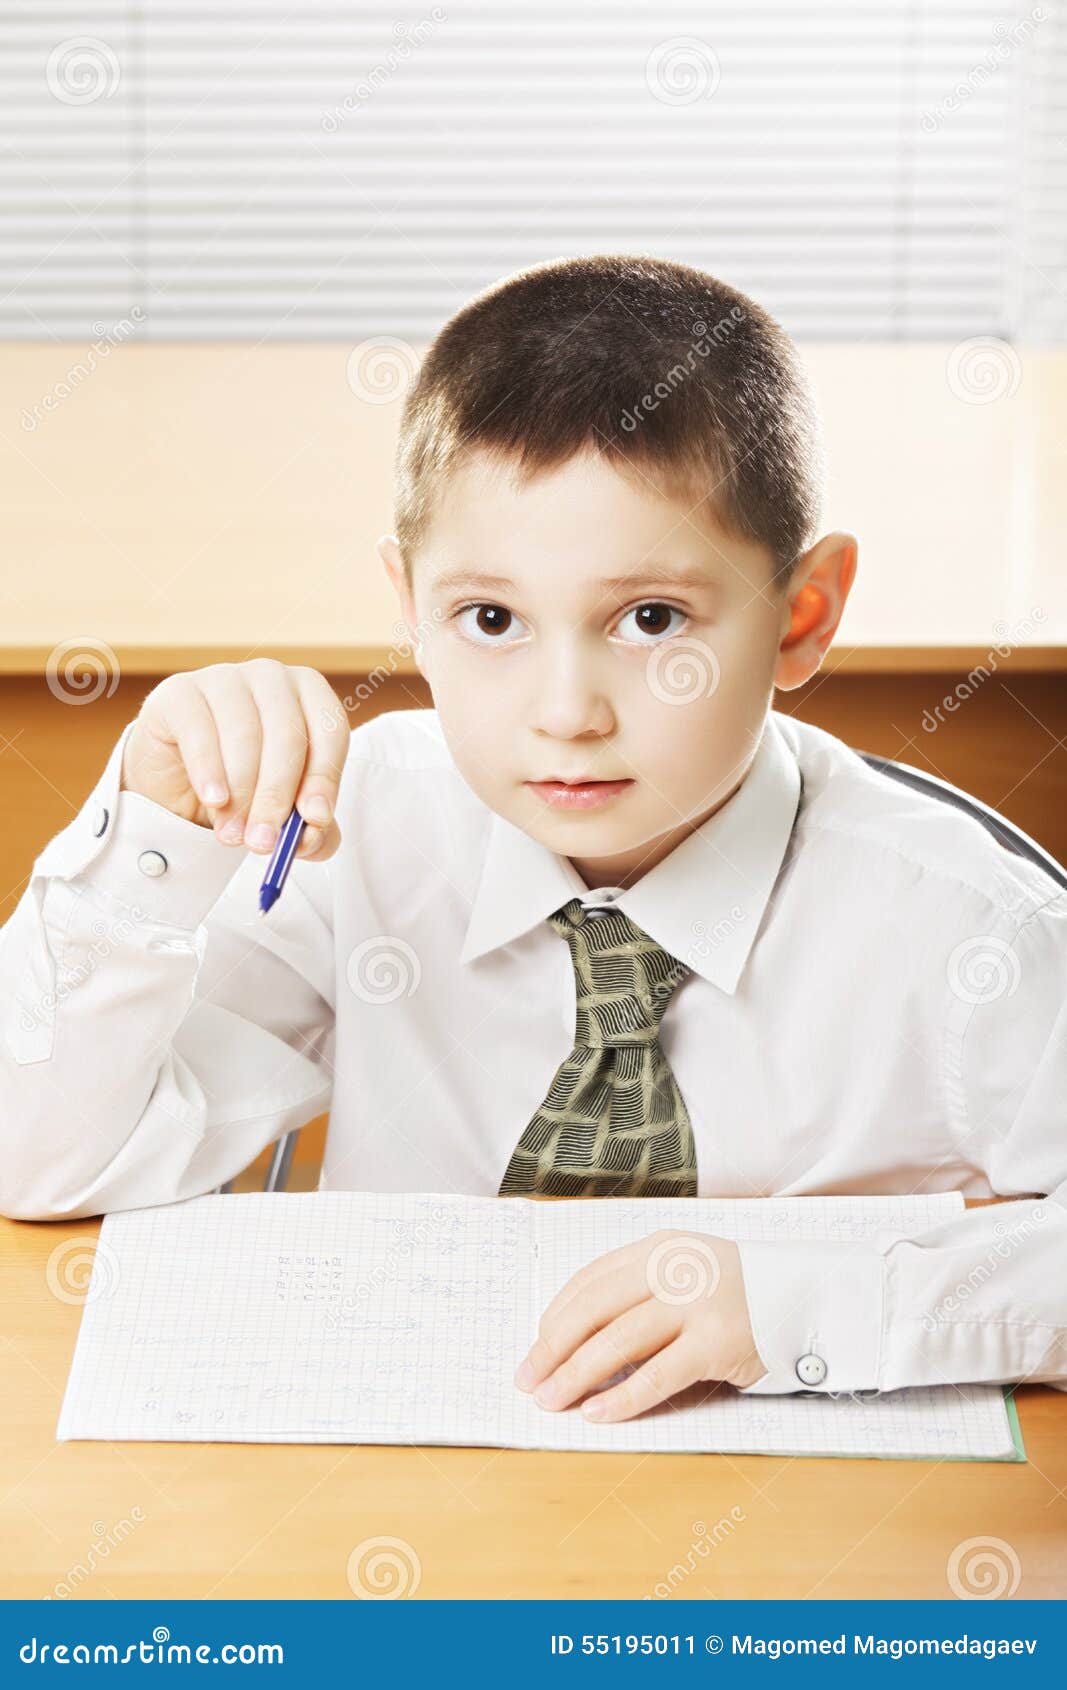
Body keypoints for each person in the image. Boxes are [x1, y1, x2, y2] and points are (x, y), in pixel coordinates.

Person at [2, 254, 1065, 1422]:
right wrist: (148, 849)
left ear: (800, 617)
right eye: (490, 618)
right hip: (414, 1514)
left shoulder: (969, 927)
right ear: (407, 605)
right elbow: (41, 1162)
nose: (567, 709)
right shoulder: (349, 830)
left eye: (650, 618)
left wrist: (812, 1302)